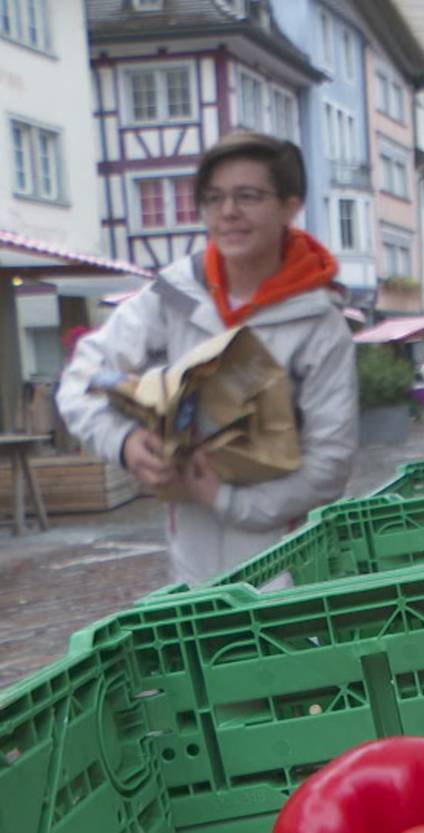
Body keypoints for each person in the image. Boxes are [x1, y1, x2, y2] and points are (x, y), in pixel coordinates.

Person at [56, 132, 357, 587]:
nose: (228, 212)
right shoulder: (174, 295)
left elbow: (329, 463)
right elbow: (82, 379)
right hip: (191, 566)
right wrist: (125, 442)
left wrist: (224, 499)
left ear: (290, 206)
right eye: (214, 198)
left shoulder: (320, 323)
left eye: (248, 196)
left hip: (289, 569)